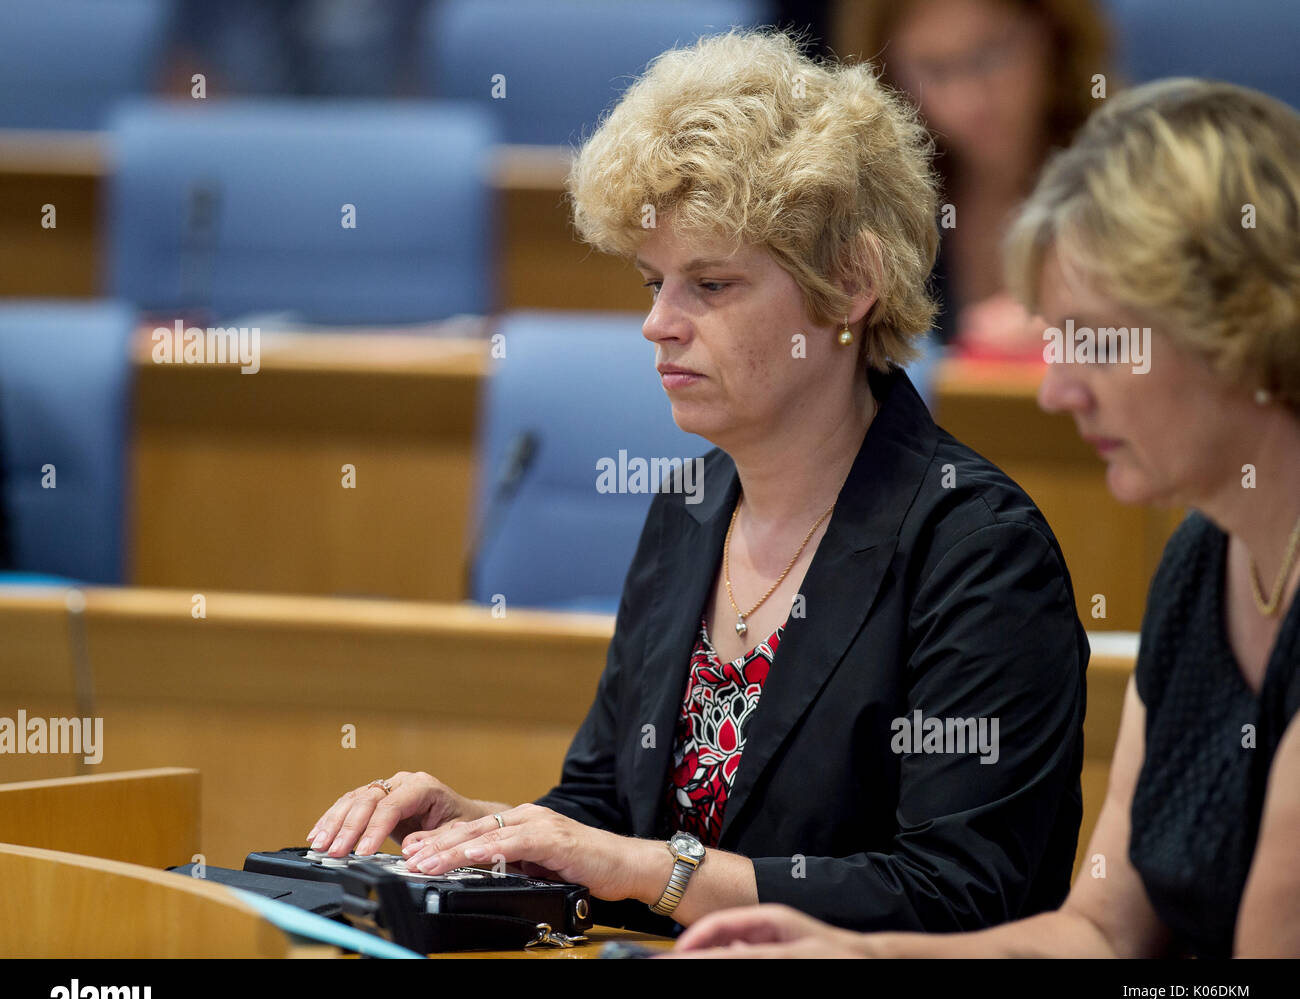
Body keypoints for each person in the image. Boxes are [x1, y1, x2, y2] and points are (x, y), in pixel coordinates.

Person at [307, 29, 1088, 935]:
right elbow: (604, 810)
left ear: (850, 285)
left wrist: (652, 870)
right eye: (653, 282)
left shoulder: (977, 549)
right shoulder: (689, 507)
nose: (657, 325)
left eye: (711, 285)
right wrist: (483, 831)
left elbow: (956, 893)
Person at [673, 78, 1300, 958]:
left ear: (1241, 324)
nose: (1056, 387)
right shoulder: (1205, 558)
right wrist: (854, 952)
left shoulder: (989, 541)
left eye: (1099, 340)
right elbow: (1101, 935)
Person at [835, 0, 1112, 352]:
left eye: (990, 55)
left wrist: (1096, 328)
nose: (969, 101)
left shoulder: (1133, 174)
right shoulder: (882, 200)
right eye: (934, 69)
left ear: (1053, 34)